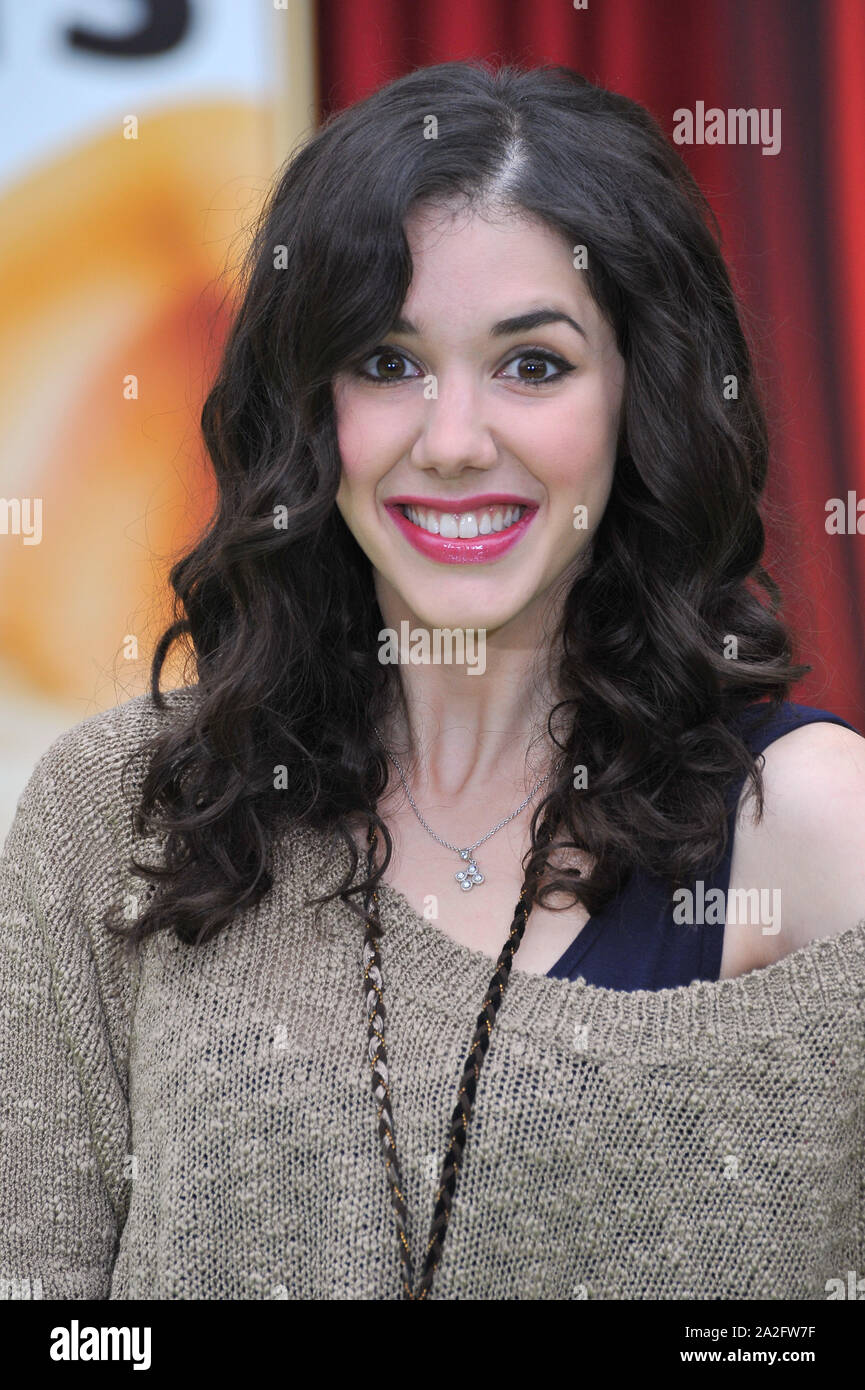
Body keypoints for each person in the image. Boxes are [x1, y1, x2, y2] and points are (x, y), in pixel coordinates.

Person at [1, 59, 864, 1303]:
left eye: (533, 365)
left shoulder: (807, 826)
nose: (453, 441)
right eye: (388, 362)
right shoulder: (118, 811)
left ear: (640, 399)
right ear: (310, 410)